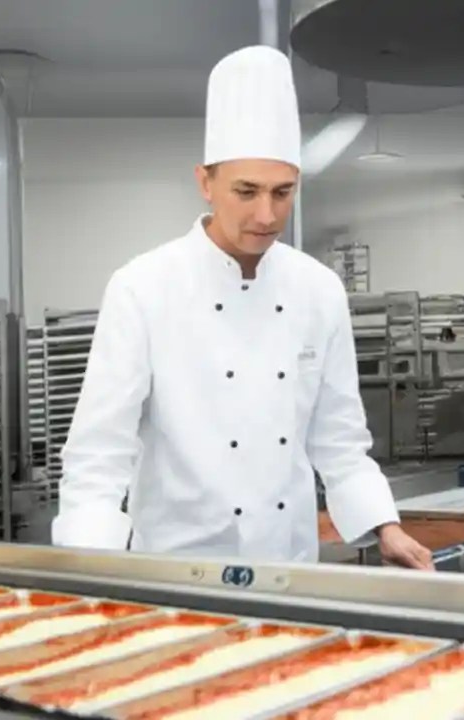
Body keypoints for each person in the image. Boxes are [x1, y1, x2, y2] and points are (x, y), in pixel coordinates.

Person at [51, 46, 433, 570]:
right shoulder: (142, 288)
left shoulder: (318, 290)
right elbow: (99, 456)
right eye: (246, 191)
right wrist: (87, 567)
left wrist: (385, 527)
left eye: (283, 192)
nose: (265, 214)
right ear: (205, 183)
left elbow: (340, 439)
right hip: (176, 573)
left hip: (290, 568)